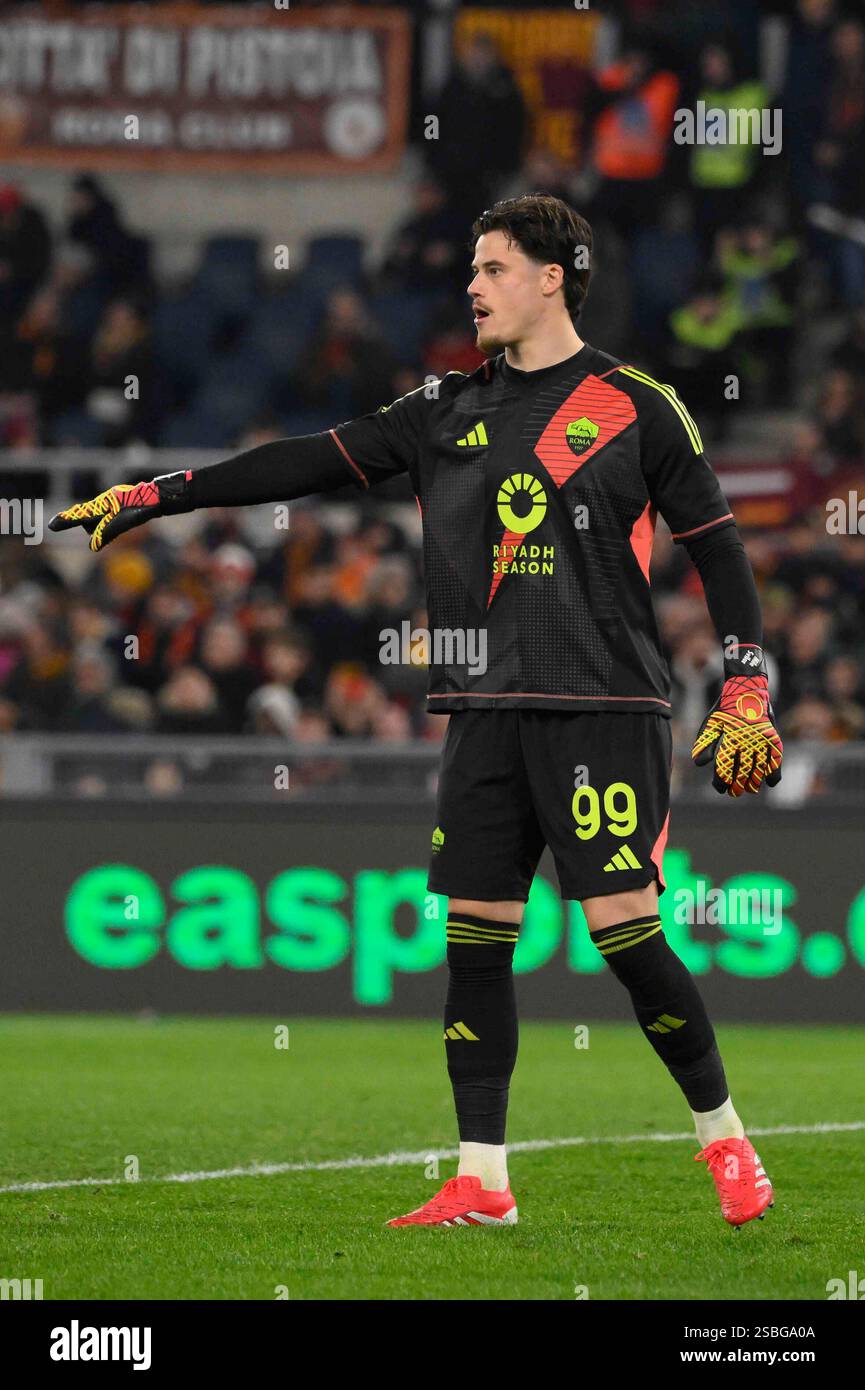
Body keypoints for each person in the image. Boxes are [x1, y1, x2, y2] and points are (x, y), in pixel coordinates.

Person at [50, 194, 782, 1231]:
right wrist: (157, 494)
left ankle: (726, 1140)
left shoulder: (636, 405)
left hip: (602, 704)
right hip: (483, 707)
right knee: (475, 940)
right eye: (472, 269)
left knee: (624, 931)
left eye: (490, 268)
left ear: (549, 277)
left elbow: (719, 548)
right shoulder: (445, 409)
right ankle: (481, 1174)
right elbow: (305, 458)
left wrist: (747, 679)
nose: (472, 287)